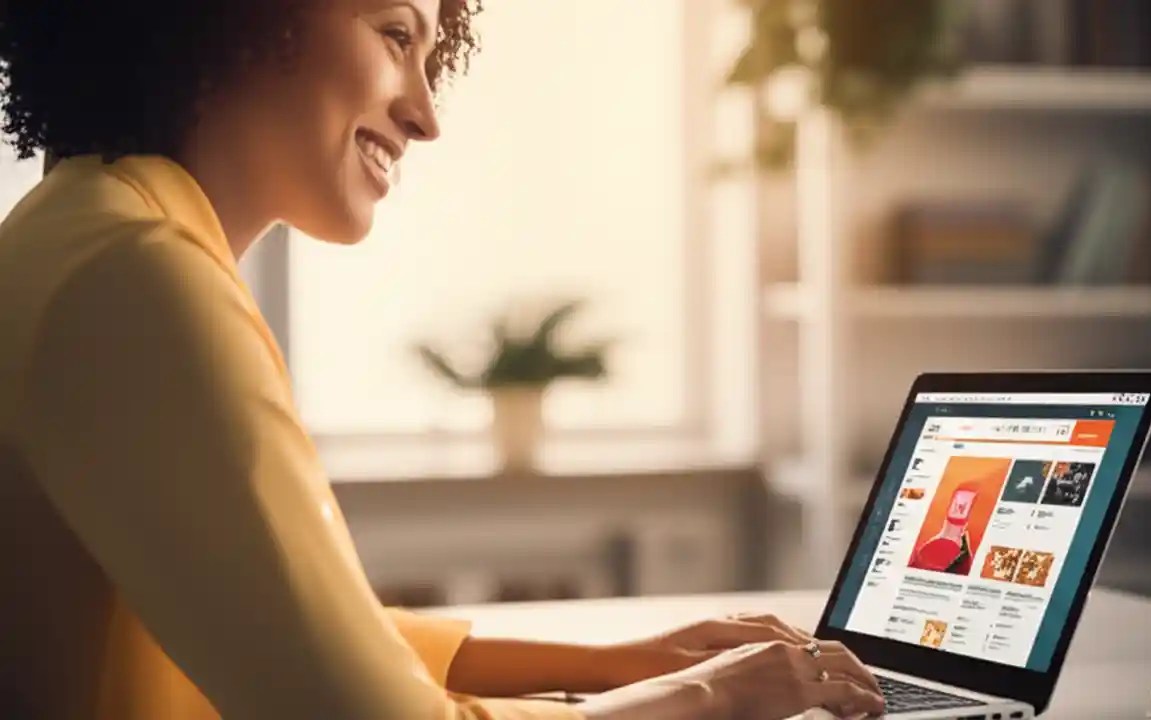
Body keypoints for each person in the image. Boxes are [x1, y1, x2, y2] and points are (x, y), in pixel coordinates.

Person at [0, 2, 885, 718]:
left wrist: (619, 663)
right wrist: (701, 700)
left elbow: (289, 624)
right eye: (395, 36)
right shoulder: (140, 279)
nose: (424, 116)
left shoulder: (88, 234)